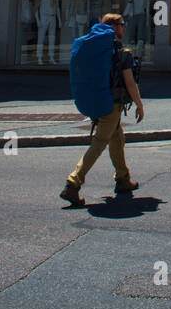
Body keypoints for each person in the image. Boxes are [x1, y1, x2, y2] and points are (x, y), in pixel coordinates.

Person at [60, 14, 143, 207]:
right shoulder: (122, 53)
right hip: (111, 105)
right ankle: (73, 183)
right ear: (114, 27)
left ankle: (123, 178)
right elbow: (130, 83)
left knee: (117, 138)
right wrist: (139, 104)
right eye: (122, 25)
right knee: (99, 143)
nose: (124, 28)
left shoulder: (96, 50)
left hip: (96, 100)